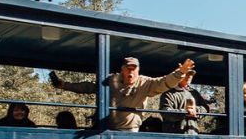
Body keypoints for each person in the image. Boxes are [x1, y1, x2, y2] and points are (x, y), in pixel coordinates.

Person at [51, 56, 194, 131]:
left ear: (138, 71)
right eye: (128, 69)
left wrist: (180, 73)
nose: (131, 72)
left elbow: (164, 82)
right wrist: (65, 85)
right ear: (122, 70)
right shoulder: (111, 80)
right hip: (106, 130)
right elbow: (89, 87)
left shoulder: (145, 83)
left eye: (134, 69)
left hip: (129, 131)